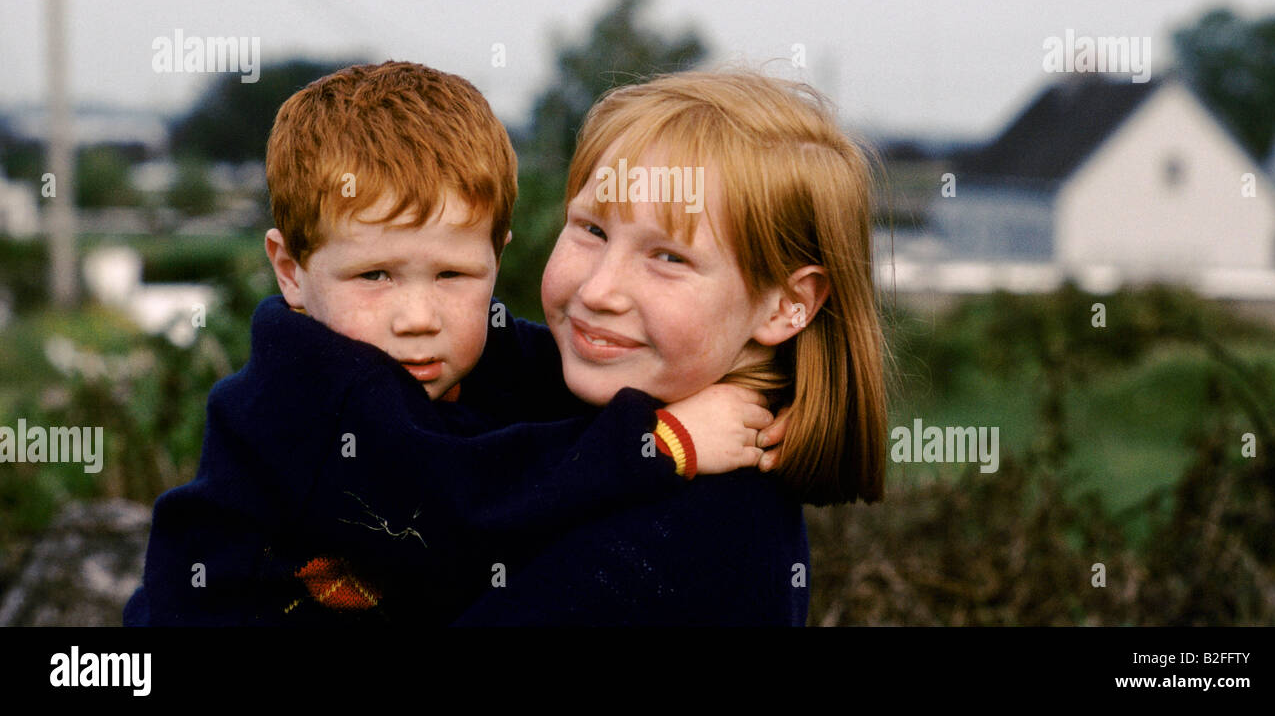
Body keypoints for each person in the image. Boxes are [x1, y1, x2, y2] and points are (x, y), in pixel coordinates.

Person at [124, 61, 773, 626]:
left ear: (497, 259)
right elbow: (461, 502)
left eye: (453, 275)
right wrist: (666, 441)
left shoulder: (467, 345)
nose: (417, 316)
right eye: (375, 275)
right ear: (290, 269)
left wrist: (752, 388)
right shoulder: (320, 385)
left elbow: (545, 372)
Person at [453, 66, 890, 625]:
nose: (599, 290)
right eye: (592, 230)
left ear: (787, 305)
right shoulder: (582, 402)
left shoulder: (698, 533)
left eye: (668, 258)